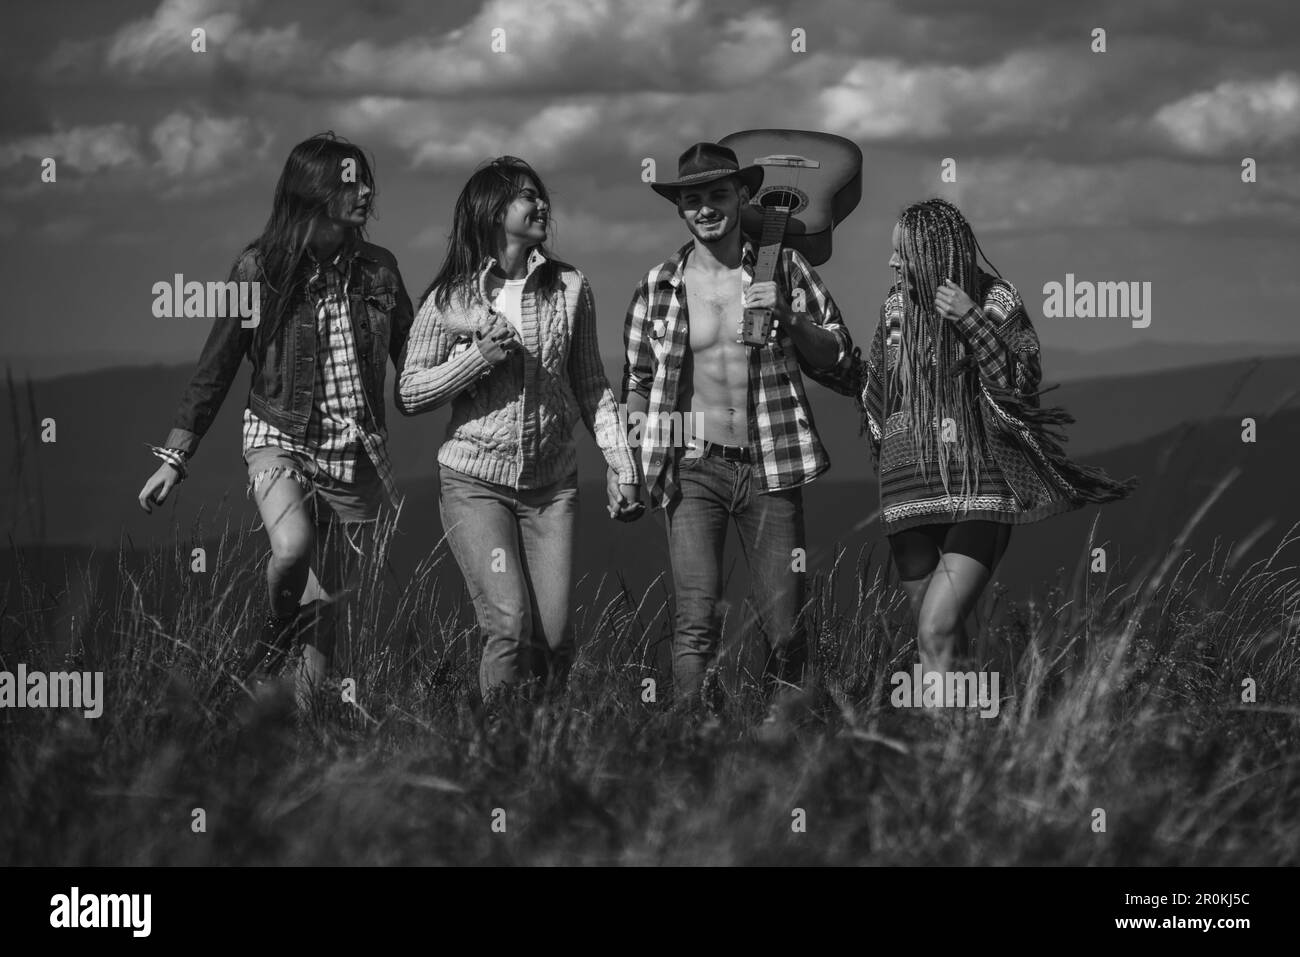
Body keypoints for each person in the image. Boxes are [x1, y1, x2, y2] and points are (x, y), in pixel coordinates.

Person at [136, 132, 414, 710]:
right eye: (349, 180)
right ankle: (276, 631)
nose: (365, 190)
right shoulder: (257, 269)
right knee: (291, 550)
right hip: (278, 437)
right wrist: (174, 456)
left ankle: (302, 729)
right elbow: (216, 367)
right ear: (312, 191)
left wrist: (471, 355)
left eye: (365, 179)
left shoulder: (380, 270)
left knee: (329, 609)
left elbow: (413, 362)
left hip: (355, 452)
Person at [855, 198, 1136, 685]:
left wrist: (970, 319)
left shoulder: (995, 301)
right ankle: (963, 744)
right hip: (907, 494)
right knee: (938, 638)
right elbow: (878, 394)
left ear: (935, 254)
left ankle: (946, 754)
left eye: (903, 252)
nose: (892, 263)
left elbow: (1017, 383)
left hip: (977, 489)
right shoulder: (894, 311)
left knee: (936, 629)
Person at [397, 156, 642, 700]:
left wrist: (623, 466)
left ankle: (540, 757)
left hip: (551, 490)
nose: (541, 204)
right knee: (508, 626)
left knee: (553, 643)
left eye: (540, 195)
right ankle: (496, 754)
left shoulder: (571, 288)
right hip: (474, 483)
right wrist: (475, 359)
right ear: (491, 209)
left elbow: (592, 385)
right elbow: (409, 393)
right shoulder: (451, 298)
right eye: (527, 196)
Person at [623, 142, 858, 706]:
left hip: (770, 463)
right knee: (695, 622)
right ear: (680, 208)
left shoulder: (783, 269)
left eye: (718, 195)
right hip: (693, 466)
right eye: (693, 199)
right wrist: (628, 467)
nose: (706, 208)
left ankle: (785, 740)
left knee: (785, 626)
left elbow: (842, 362)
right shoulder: (658, 286)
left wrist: (790, 317)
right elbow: (639, 383)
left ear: (742, 197)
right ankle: (693, 744)